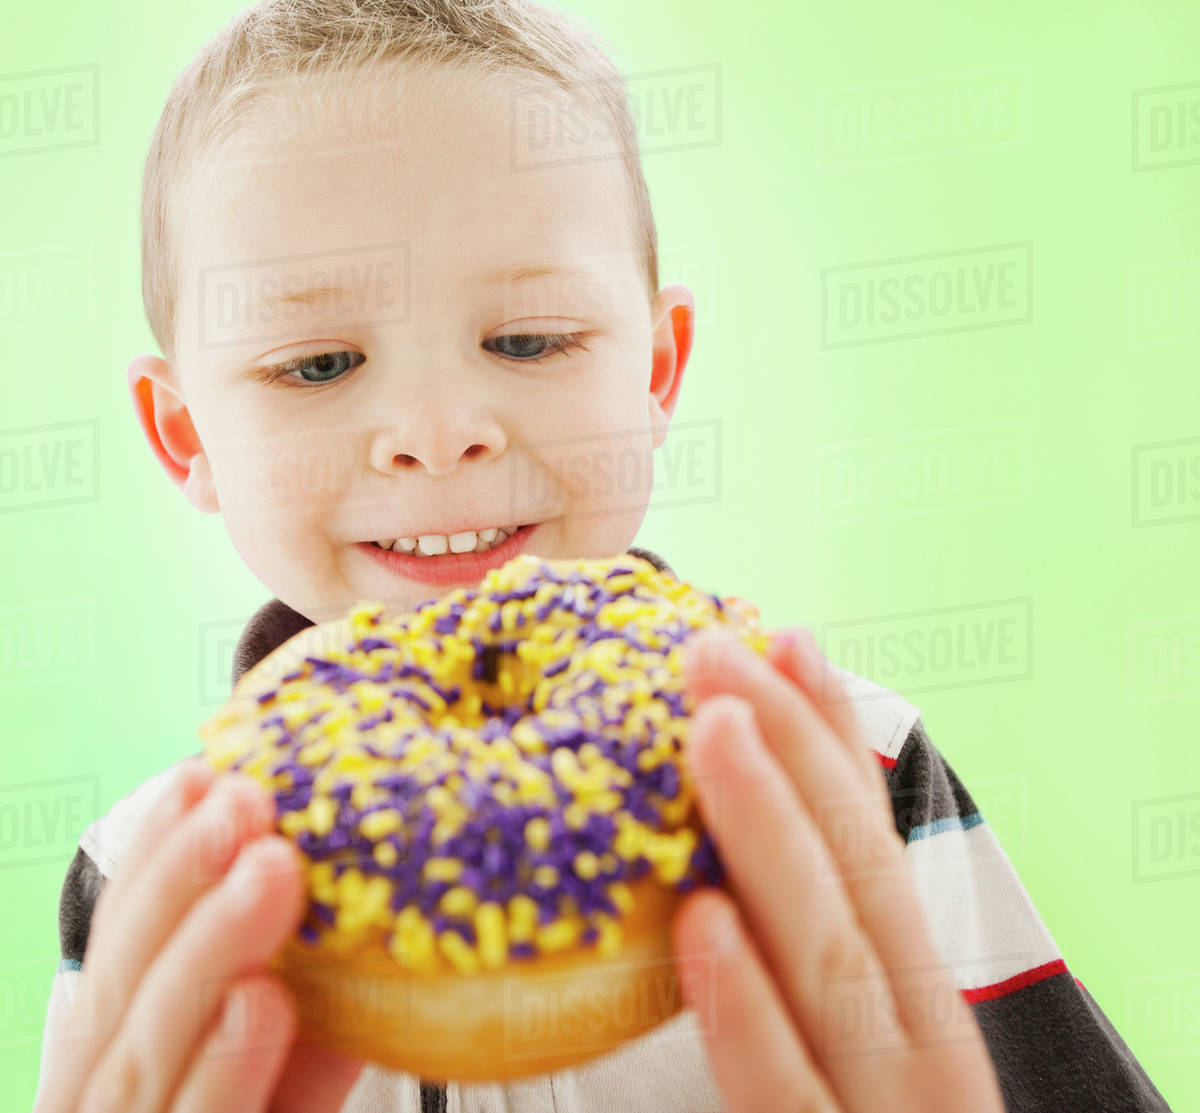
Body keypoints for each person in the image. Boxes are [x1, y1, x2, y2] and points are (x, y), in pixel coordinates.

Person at [32, 0, 1174, 1110]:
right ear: (187, 437)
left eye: (529, 340)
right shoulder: (152, 882)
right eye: (318, 365)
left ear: (655, 370)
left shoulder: (839, 776)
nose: (437, 432)